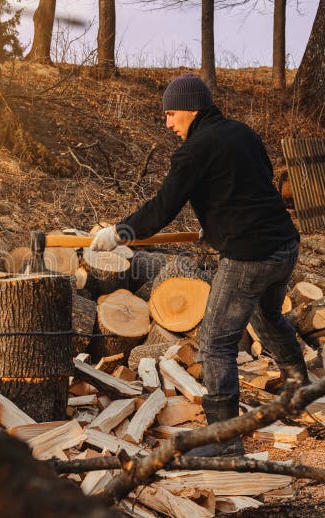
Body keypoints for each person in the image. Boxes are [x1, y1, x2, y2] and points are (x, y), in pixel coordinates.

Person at [90, 73, 308, 457]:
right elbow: (250, 189)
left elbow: (163, 207)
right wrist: (221, 224)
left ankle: (223, 441)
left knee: (215, 341)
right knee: (268, 315)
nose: (168, 123)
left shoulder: (196, 149)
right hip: (285, 245)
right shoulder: (242, 133)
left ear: (192, 109)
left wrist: (119, 231)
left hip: (250, 256)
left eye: (171, 114)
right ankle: (298, 390)